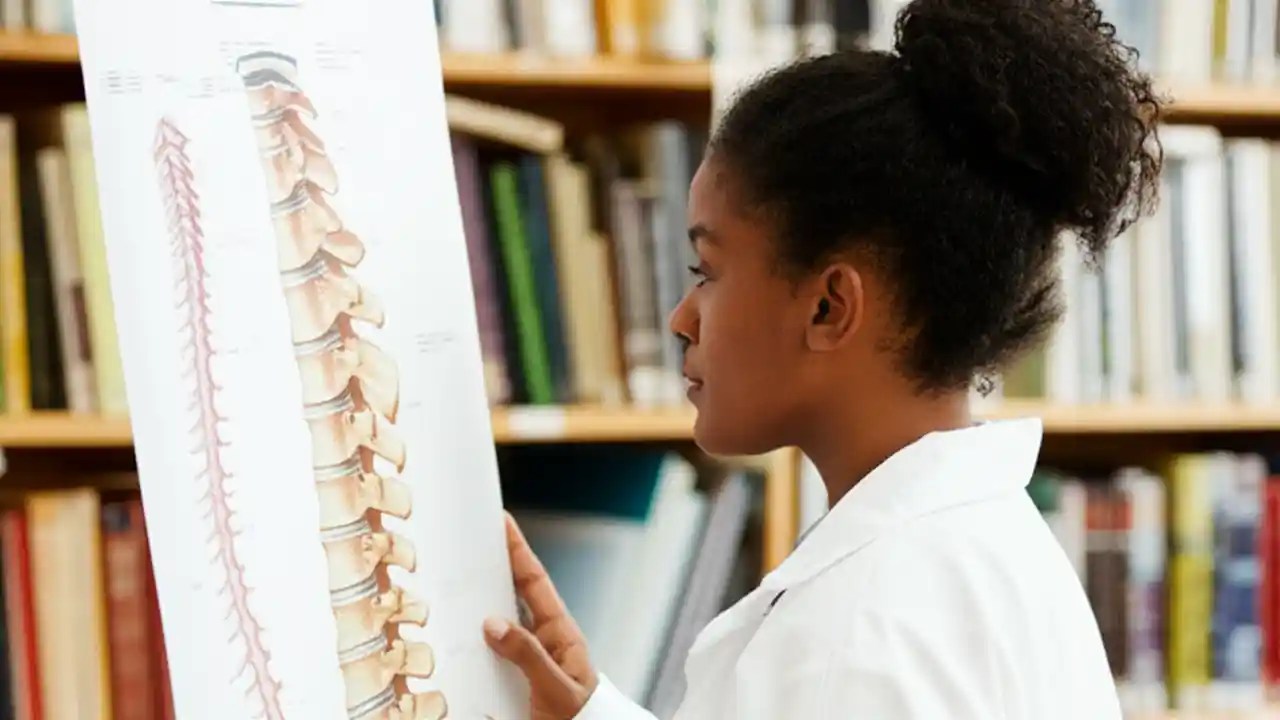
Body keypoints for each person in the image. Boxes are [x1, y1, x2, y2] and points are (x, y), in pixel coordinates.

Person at [481, 0, 1163, 717]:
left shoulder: (858, 634)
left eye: (706, 272)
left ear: (829, 307)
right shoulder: (991, 548)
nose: (682, 319)